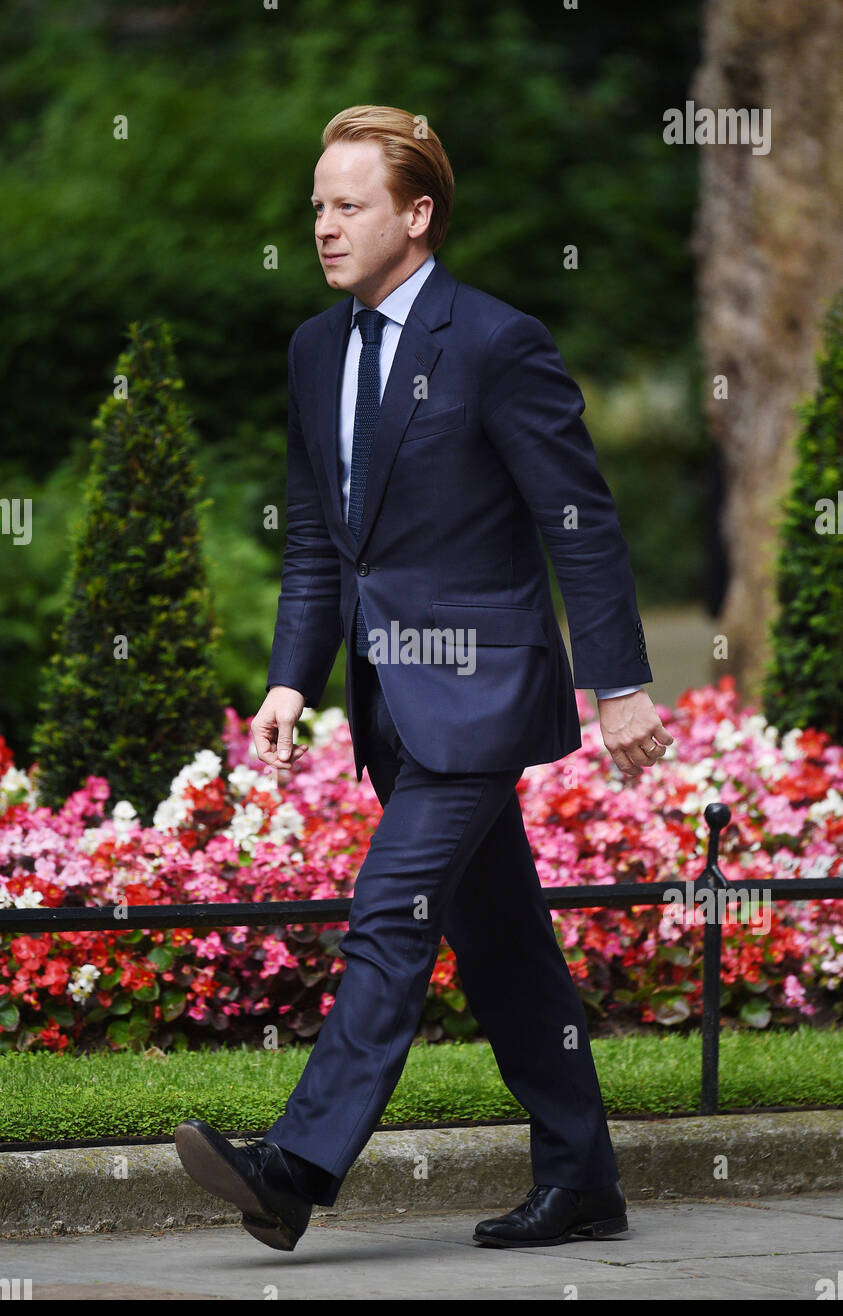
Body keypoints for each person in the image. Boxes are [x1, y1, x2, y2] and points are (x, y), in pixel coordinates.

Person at [175, 104, 673, 1253]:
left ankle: (293, 1168)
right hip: (394, 701)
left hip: (484, 690)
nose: (324, 226)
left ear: (417, 213)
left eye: (349, 205)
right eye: (315, 206)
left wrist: (621, 683)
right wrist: (294, 678)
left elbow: (580, 522)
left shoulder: (498, 341)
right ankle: (584, 1177)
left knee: (387, 911)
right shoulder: (313, 350)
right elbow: (316, 537)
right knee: (500, 940)